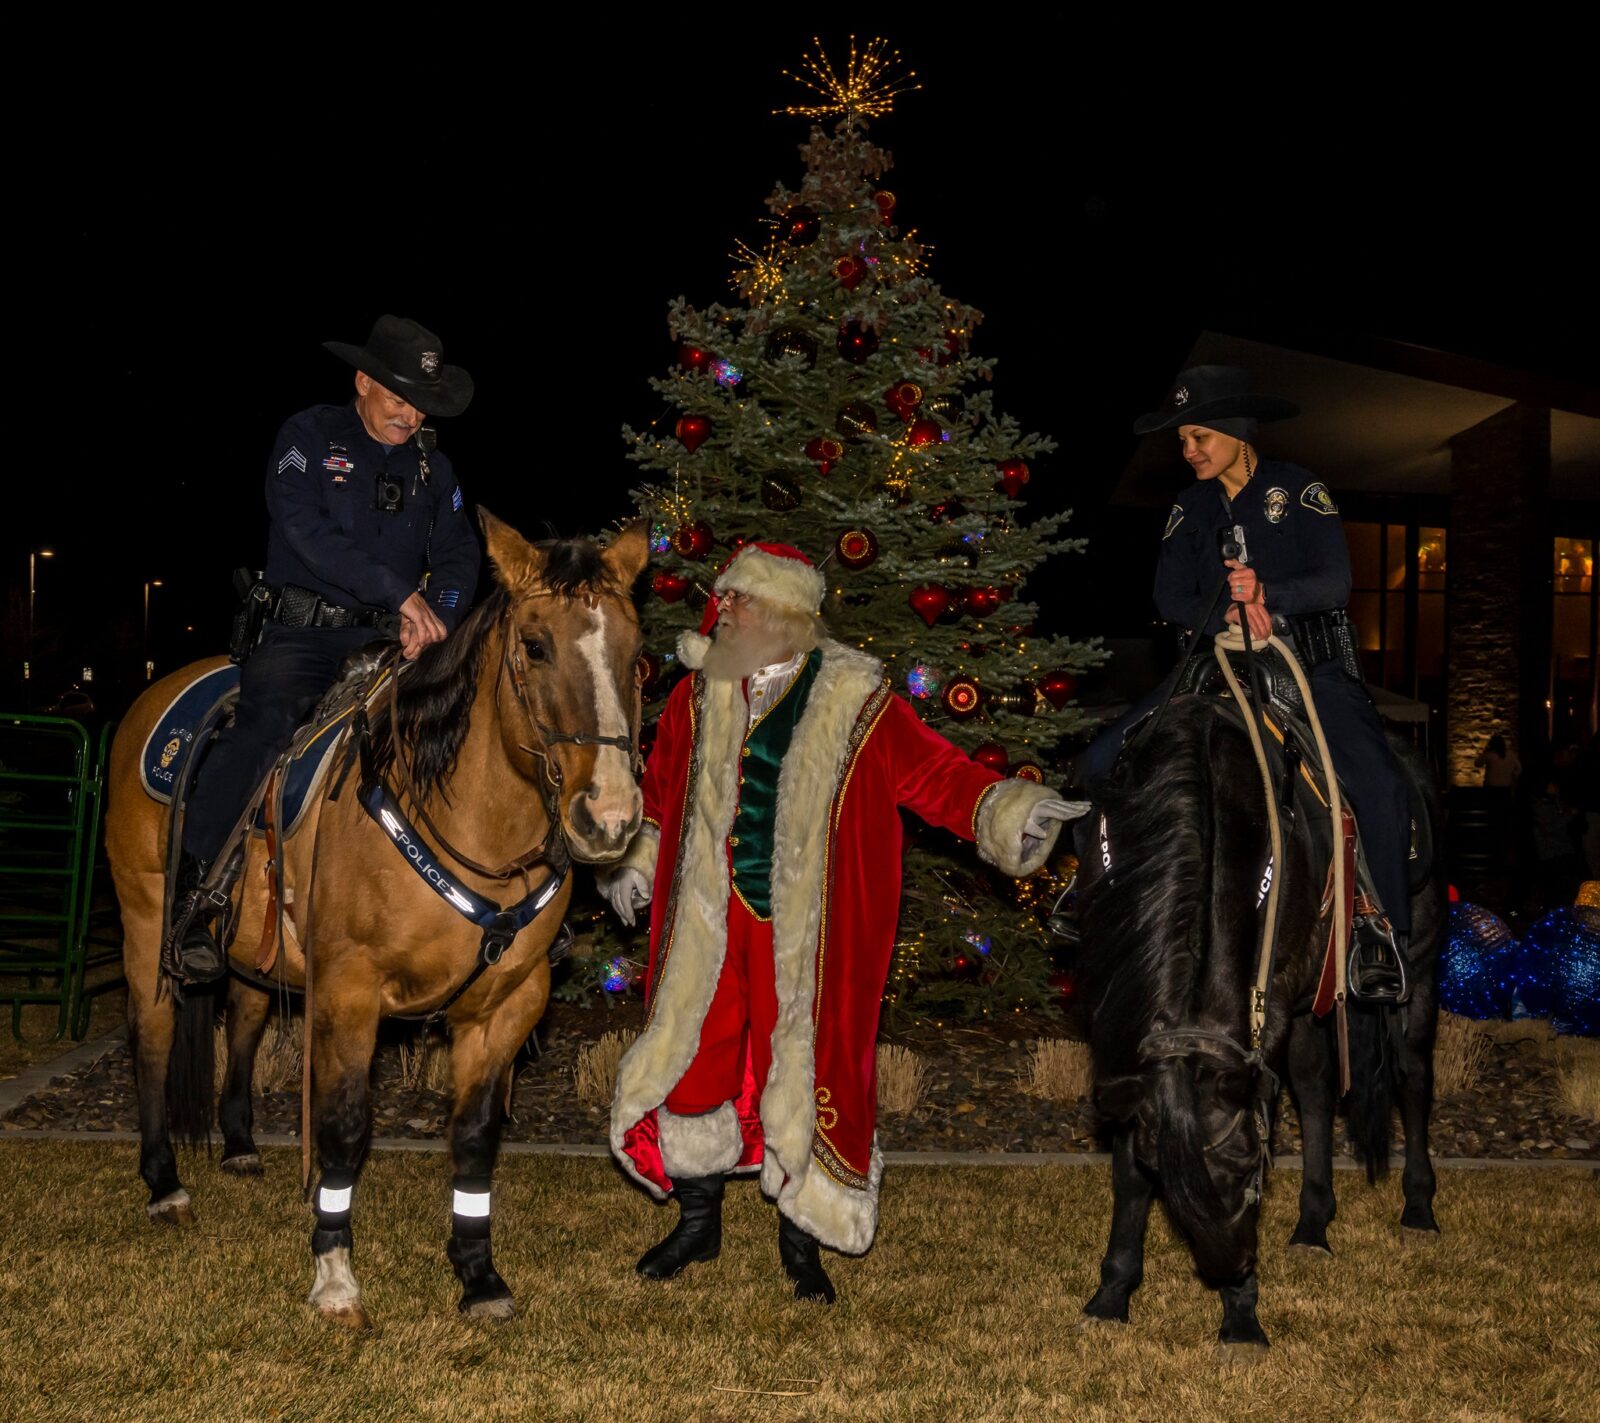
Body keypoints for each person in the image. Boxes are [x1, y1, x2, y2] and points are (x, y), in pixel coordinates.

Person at [596, 542, 1082, 1304]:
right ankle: (699, 1220)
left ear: (788, 615)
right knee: (696, 1060)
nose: (725, 612)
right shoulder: (697, 697)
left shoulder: (855, 701)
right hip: (708, 921)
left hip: (811, 933)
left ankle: (803, 1235)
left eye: (743, 602)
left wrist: (1007, 807)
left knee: (809, 1072)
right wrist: (633, 863)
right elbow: (659, 793)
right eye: (725, 601)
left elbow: (935, 774)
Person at [1073, 365, 1413, 996]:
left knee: (1379, 789)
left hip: (1306, 669)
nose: (1189, 451)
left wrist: (1269, 595)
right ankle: (1093, 897)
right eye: (1182, 441)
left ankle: (1378, 933)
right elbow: (1167, 594)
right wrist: (1224, 607)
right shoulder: (1187, 506)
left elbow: (1335, 582)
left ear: (1235, 431)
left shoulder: (1300, 490)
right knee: (1099, 761)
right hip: (1215, 667)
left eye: (1198, 436)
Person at [172, 315, 481, 981]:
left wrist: (439, 622)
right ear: (363, 382)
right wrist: (400, 592)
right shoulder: (308, 437)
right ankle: (196, 900)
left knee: (464, 728)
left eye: (419, 402)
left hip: (393, 642)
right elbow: (305, 530)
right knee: (262, 726)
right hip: (303, 637)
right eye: (396, 396)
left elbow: (459, 556)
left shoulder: (437, 467)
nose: (408, 413)